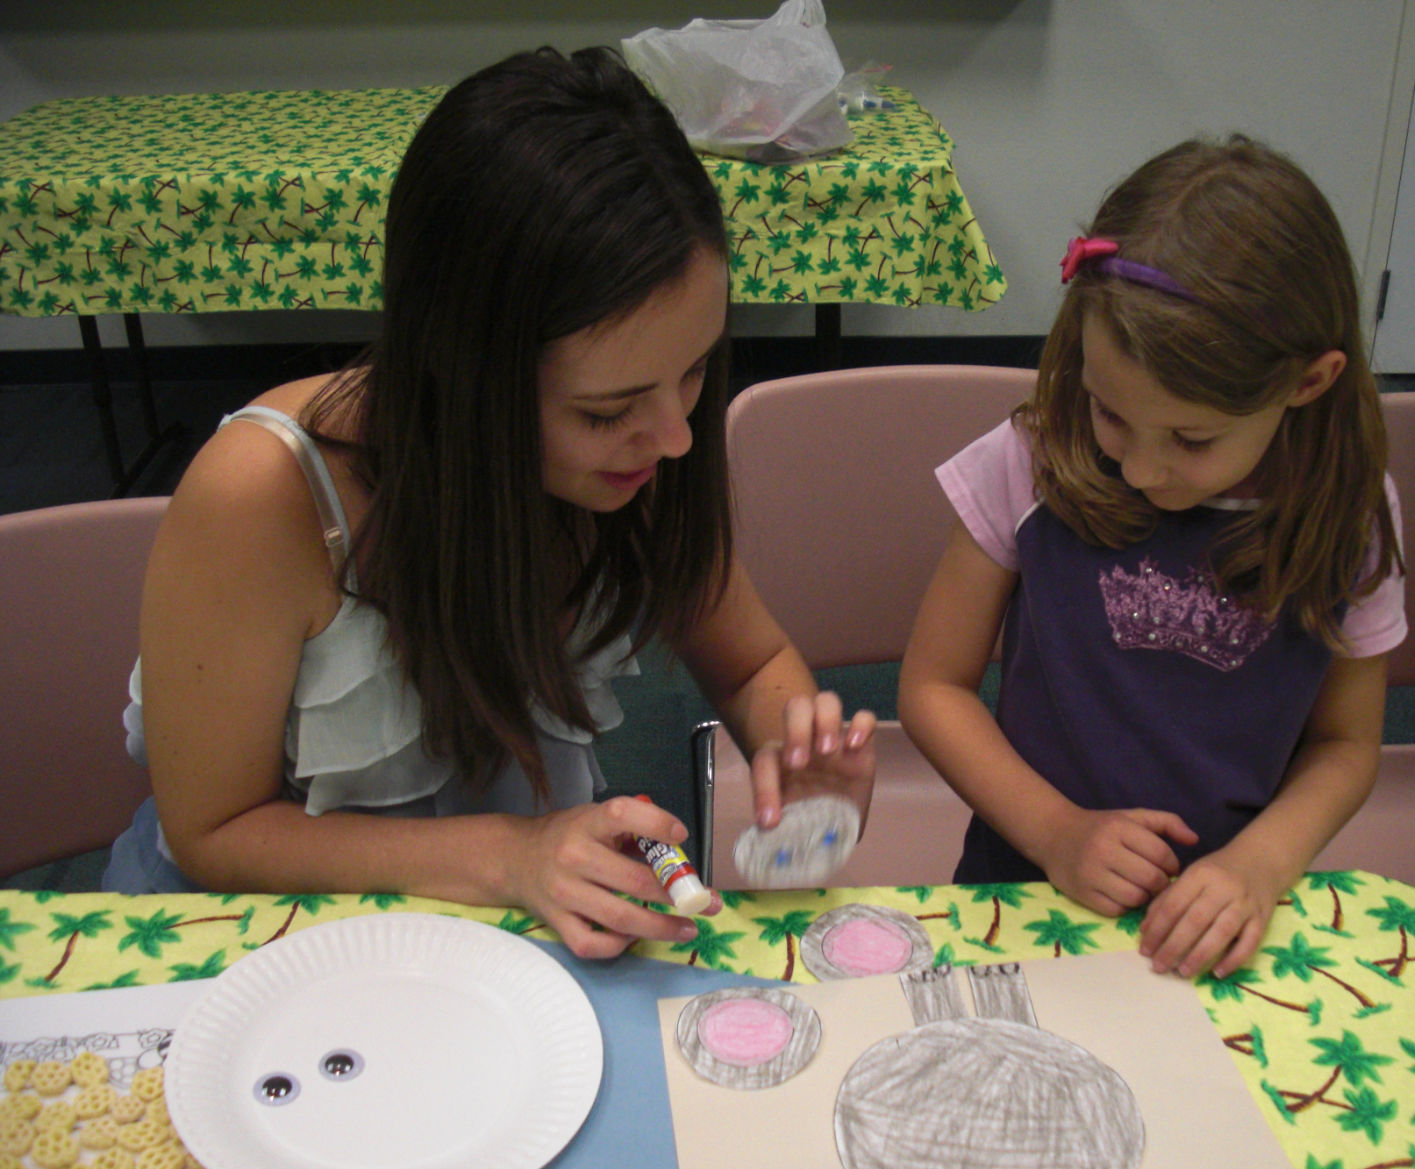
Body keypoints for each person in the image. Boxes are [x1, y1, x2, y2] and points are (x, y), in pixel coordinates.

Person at [103, 47, 876, 957]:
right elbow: (215, 832)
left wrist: (797, 756)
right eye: (606, 410)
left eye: (697, 369)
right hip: (282, 929)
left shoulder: (643, 454)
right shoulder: (267, 495)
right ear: (463, 378)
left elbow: (749, 664)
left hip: (518, 909)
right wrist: (508, 853)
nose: (674, 438)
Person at [898, 135, 1405, 980]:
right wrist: (1058, 832)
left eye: (1192, 439)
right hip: (1029, 886)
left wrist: (1261, 865)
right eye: (1110, 413)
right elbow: (933, 687)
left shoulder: (1349, 512)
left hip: (1226, 915)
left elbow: (1347, 746)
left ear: (1307, 384)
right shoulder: (1027, 458)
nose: (1140, 469)